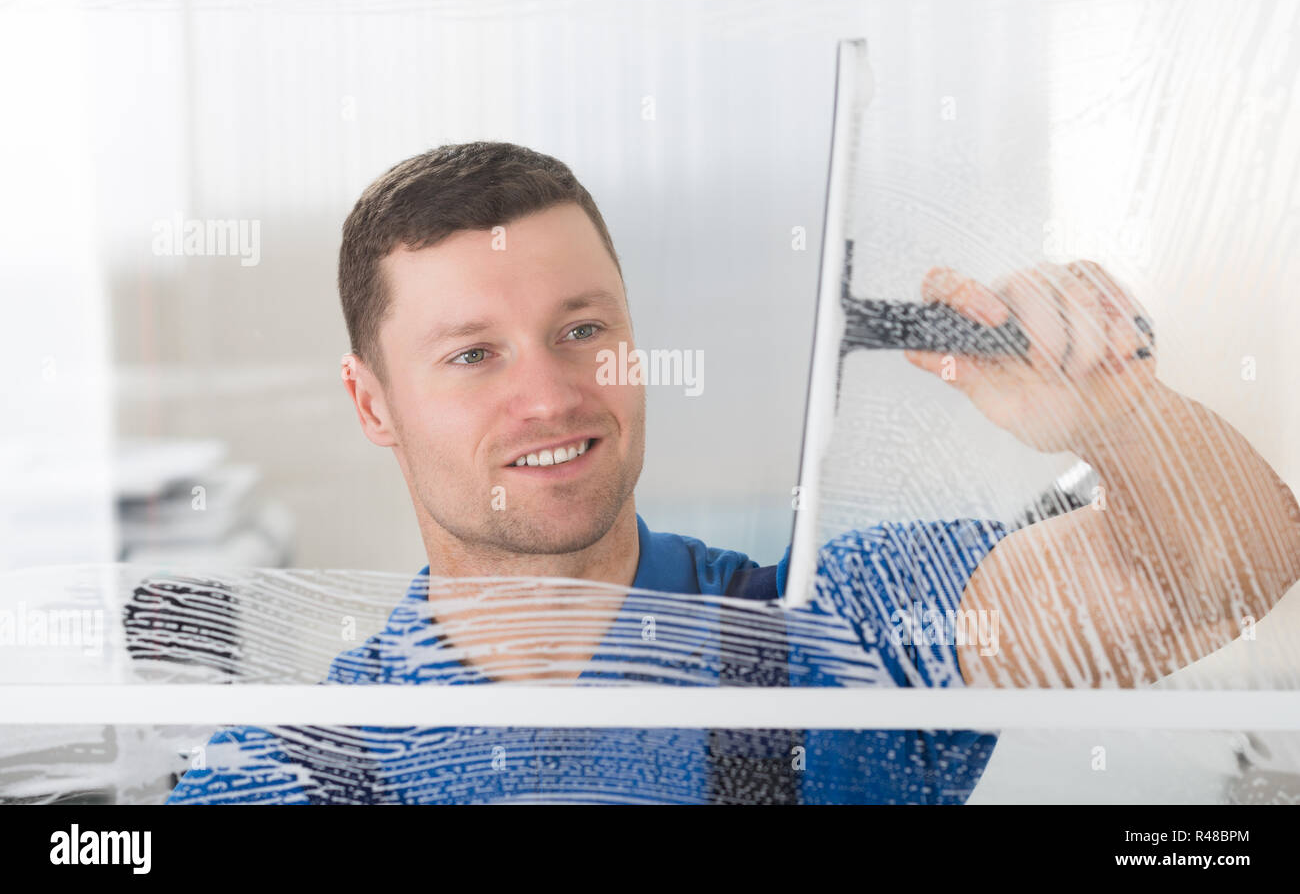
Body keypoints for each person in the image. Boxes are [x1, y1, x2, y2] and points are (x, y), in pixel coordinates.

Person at [166, 142, 1300, 804]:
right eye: (472, 356)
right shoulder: (295, 772)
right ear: (374, 404)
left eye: (581, 329)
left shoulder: (841, 632)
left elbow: (1223, 573)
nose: (551, 395)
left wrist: (1116, 415)